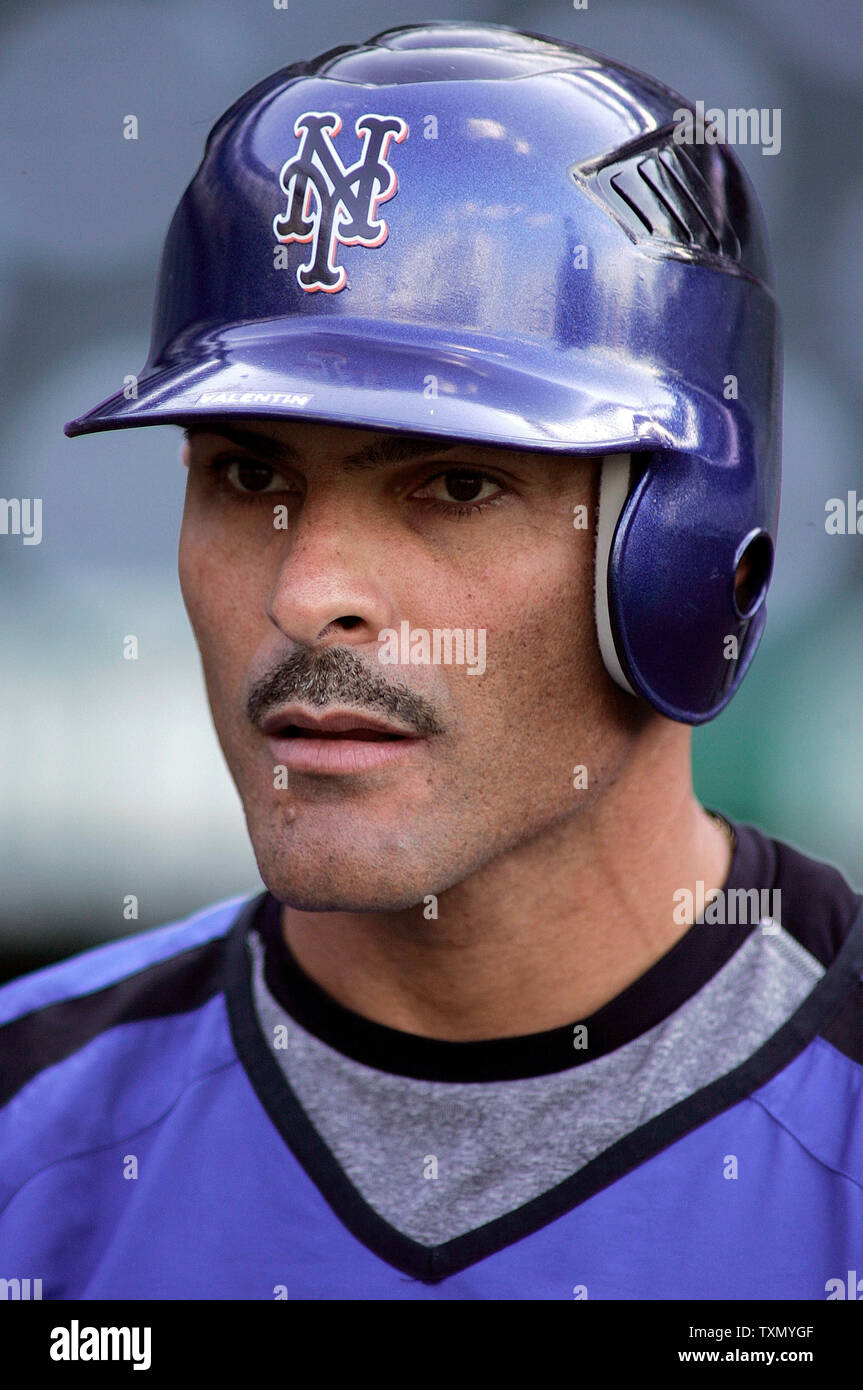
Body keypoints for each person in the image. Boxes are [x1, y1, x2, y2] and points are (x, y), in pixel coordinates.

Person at [1, 20, 861, 1301]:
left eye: (454, 483)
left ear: (685, 547)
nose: (306, 596)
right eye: (248, 475)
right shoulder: (29, 1126)